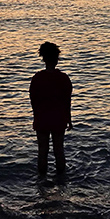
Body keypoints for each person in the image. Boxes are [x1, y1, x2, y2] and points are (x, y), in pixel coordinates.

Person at [29, 42, 73, 177]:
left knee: (42, 150)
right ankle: (61, 181)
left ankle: (41, 182)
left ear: (43, 58)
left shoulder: (37, 78)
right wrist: (69, 119)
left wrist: (36, 117)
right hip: (59, 119)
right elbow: (67, 102)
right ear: (57, 59)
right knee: (59, 149)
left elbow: (33, 101)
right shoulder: (64, 78)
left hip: (42, 118)